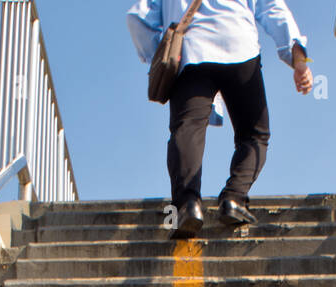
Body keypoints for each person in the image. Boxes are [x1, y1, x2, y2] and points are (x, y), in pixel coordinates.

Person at [127, 0, 313, 238]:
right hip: (240, 45)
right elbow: (273, 9)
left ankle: (187, 206)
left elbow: (136, 18)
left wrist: (158, 51)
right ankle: (234, 199)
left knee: (187, 129)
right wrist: (298, 59)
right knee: (254, 135)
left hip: (192, 52)